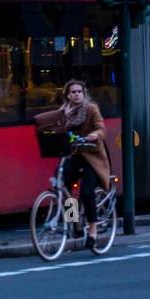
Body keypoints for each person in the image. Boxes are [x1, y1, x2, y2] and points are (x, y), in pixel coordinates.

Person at [35, 81, 113, 249]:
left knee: (86, 192)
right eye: (73, 92)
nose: (77, 94)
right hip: (74, 154)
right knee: (61, 182)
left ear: (84, 94)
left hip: (92, 156)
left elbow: (101, 128)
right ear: (67, 95)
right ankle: (74, 220)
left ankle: (92, 230)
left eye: (79, 91)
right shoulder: (63, 112)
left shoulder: (91, 109)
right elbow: (53, 128)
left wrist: (94, 134)